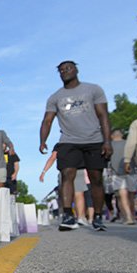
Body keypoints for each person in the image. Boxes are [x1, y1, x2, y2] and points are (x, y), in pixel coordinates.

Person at [39, 61, 112, 231]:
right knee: (67, 174)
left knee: (96, 178)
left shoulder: (94, 89)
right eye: (61, 70)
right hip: (68, 140)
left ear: (76, 70)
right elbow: (47, 120)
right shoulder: (55, 97)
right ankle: (68, 215)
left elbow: (103, 116)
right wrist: (43, 140)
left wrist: (107, 141)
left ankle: (98, 217)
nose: (65, 71)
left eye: (68, 68)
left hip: (93, 139)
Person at [108, 129, 136, 224]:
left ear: (112, 136)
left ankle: (127, 217)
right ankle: (132, 216)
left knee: (121, 196)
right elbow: (135, 157)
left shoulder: (109, 145)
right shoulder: (129, 143)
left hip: (116, 173)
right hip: (131, 171)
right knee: (131, 195)